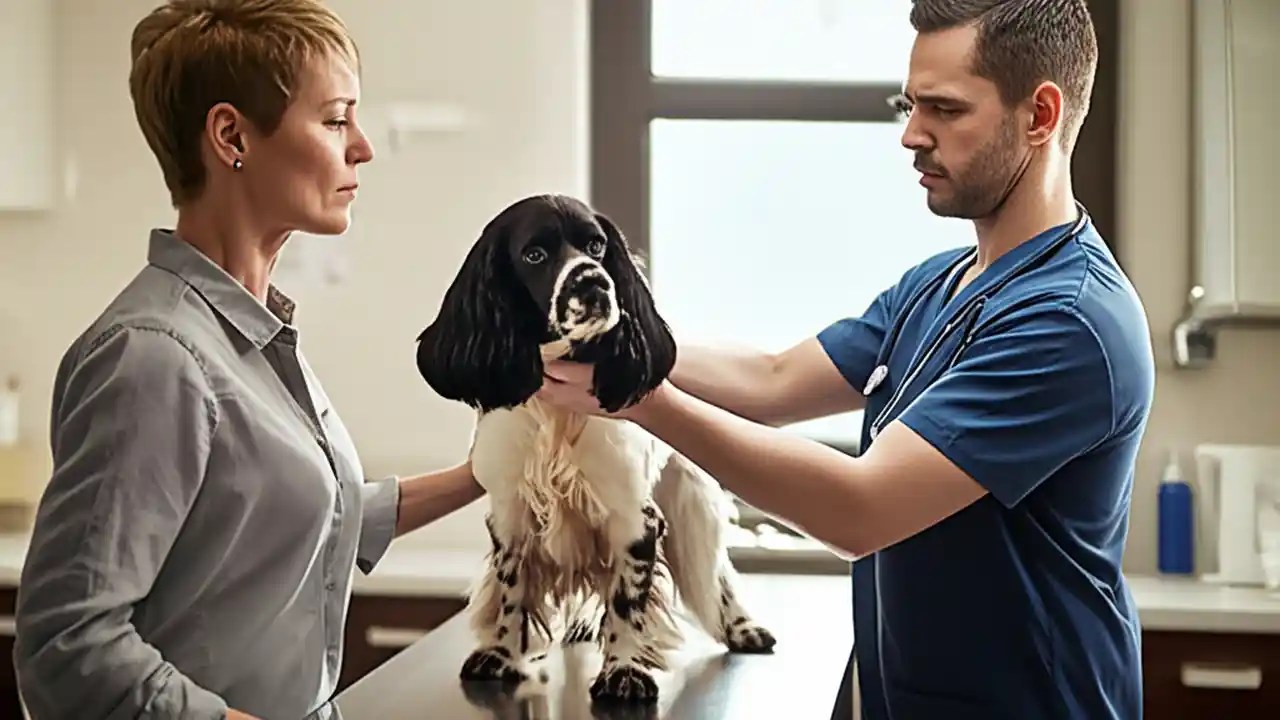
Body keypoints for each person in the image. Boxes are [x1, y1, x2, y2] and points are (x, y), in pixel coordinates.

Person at [538, 1, 1155, 718]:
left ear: (1040, 115)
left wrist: (635, 394)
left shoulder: (1068, 322)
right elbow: (771, 380)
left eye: (945, 110)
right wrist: (617, 339)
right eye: (909, 102)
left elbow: (859, 509)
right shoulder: (939, 282)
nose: (911, 134)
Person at [12, 2, 483, 719]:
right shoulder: (154, 358)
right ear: (231, 135)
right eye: (335, 119)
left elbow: (321, 512)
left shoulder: (247, 336)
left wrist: (493, 471)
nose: (363, 147)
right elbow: (68, 644)